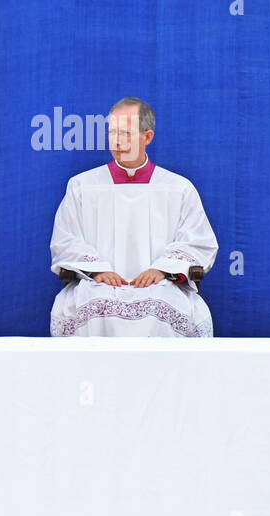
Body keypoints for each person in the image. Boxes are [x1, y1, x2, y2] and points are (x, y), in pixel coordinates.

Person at [50, 97, 217, 337]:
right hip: (99, 285)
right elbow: (65, 240)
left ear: (147, 137)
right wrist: (97, 271)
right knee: (94, 299)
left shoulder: (178, 188)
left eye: (126, 133)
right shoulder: (82, 186)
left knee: (162, 299)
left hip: (161, 285)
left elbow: (198, 241)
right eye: (112, 132)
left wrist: (162, 270)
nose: (117, 141)